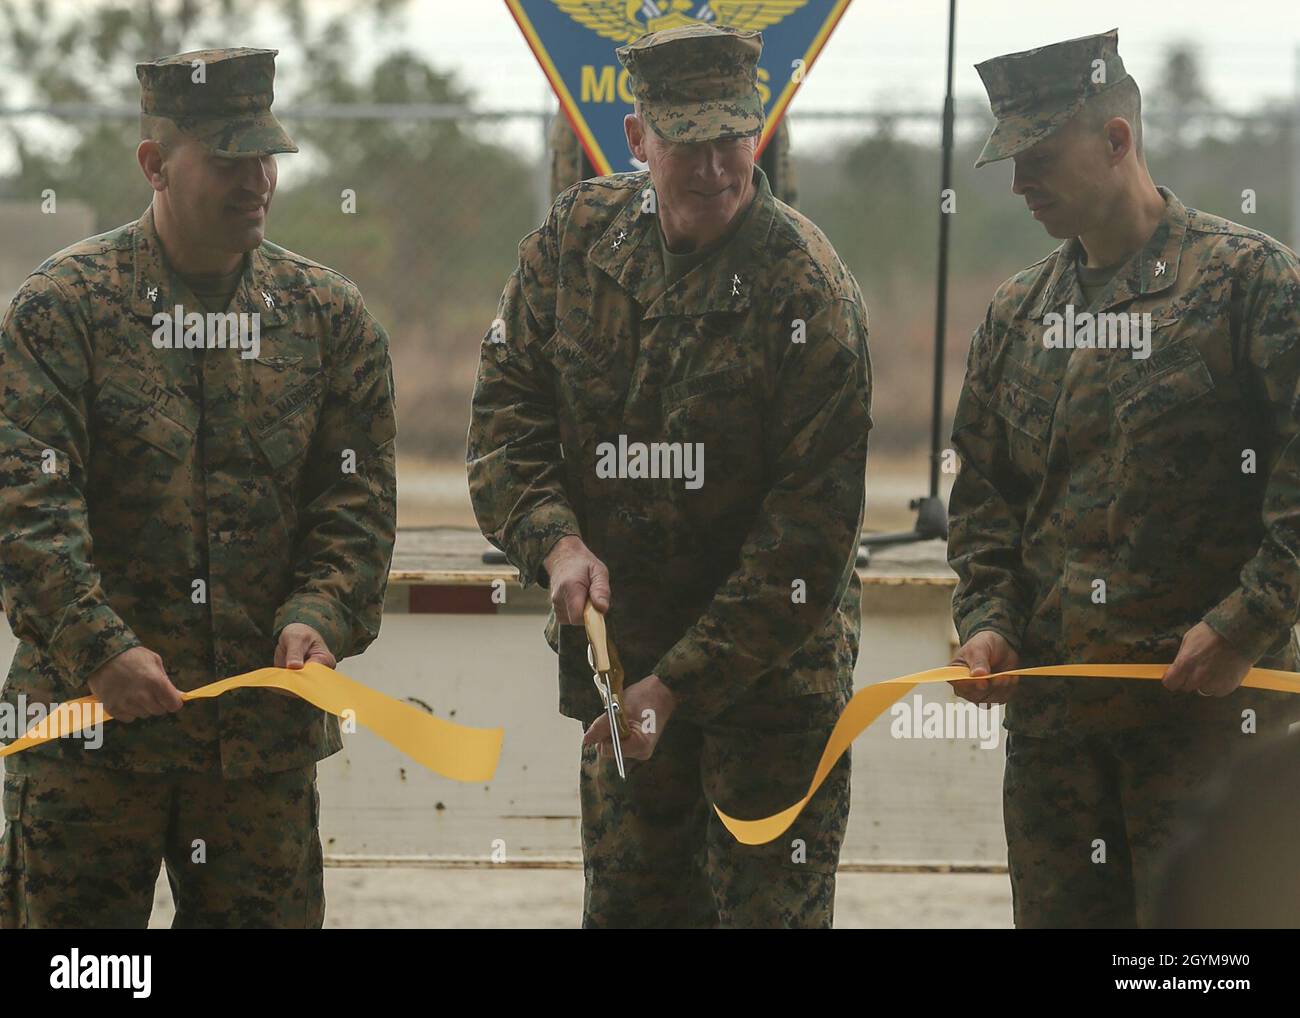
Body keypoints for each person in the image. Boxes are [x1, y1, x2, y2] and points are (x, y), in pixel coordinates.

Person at [468, 23, 871, 928]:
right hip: (625, 673)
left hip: (771, 691)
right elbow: (505, 428)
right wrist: (556, 542)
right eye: (688, 142)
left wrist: (678, 683)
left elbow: (807, 537)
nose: (717, 167)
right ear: (637, 139)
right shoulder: (572, 246)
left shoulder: (810, 291)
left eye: (734, 137)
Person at [0, 47, 398, 928]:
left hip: (257, 750)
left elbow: (356, 509)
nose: (256, 179)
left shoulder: (328, 321)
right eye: (226, 159)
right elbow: (25, 506)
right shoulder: (63, 311)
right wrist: (100, 647)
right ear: (154, 164)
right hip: (87, 738)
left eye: (267, 157)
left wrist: (321, 616)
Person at [947, 28, 1300, 928]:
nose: (1019, 184)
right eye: (1009, 162)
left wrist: (1244, 622)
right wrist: (987, 625)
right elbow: (985, 498)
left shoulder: (1249, 286)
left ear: (1116, 140)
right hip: (1058, 749)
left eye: (1039, 158)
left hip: (1212, 736)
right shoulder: (1021, 312)